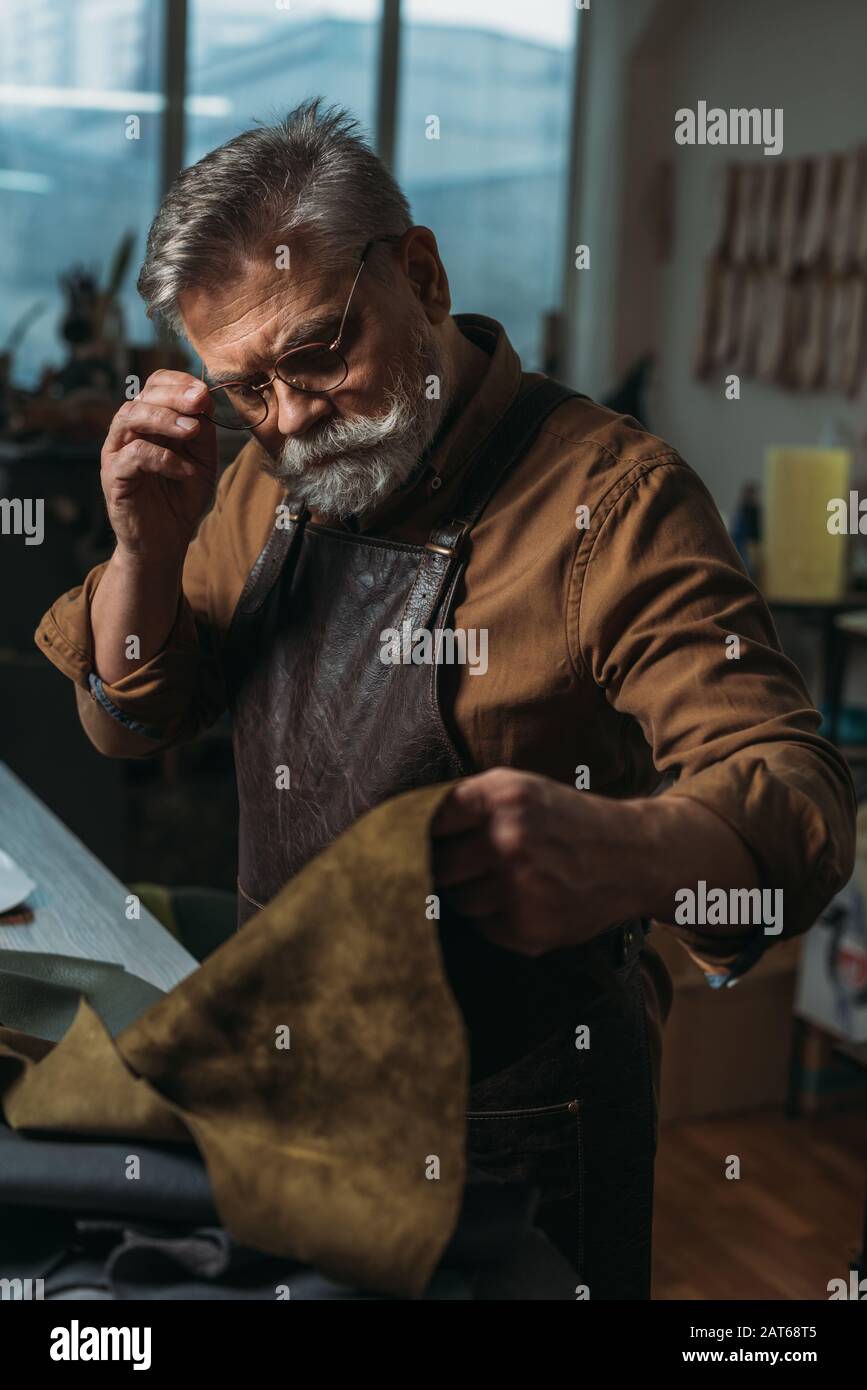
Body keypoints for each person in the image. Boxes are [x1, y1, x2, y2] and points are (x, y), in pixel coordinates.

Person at [36, 99, 855, 1299]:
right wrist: (145, 555)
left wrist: (637, 850)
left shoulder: (614, 502)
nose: (294, 418)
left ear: (418, 271)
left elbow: (800, 792)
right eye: (247, 389)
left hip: (524, 1114)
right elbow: (130, 715)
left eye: (318, 352)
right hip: (300, 1057)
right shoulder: (271, 473)